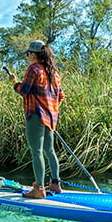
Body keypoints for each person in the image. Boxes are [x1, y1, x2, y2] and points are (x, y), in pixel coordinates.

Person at [9, 40, 65, 199]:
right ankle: (55, 184)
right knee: (50, 150)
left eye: (28, 54)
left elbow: (24, 90)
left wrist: (14, 83)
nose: (27, 56)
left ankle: (39, 189)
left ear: (33, 54)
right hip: (51, 118)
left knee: (36, 152)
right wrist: (51, 108)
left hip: (36, 116)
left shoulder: (33, 69)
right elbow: (61, 96)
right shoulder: (55, 73)